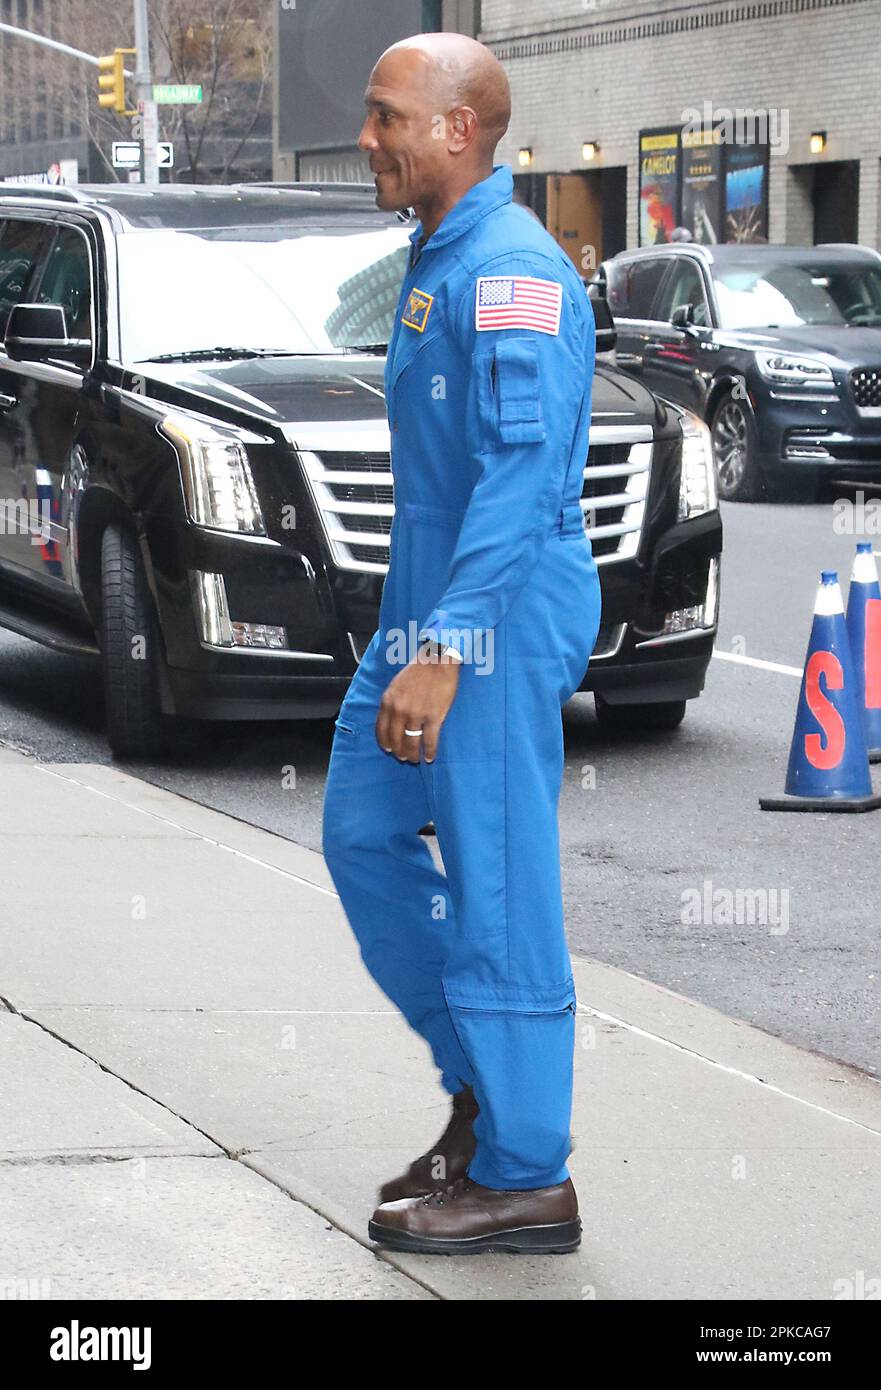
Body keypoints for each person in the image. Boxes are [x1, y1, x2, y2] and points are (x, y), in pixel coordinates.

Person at [321, 31, 602, 1255]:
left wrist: (446, 646)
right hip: (425, 610)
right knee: (360, 831)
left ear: (455, 130)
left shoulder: (511, 273)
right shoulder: (438, 256)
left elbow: (517, 477)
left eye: (386, 117)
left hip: (484, 615)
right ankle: (481, 1083)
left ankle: (525, 1171)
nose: (368, 138)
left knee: (493, 880)